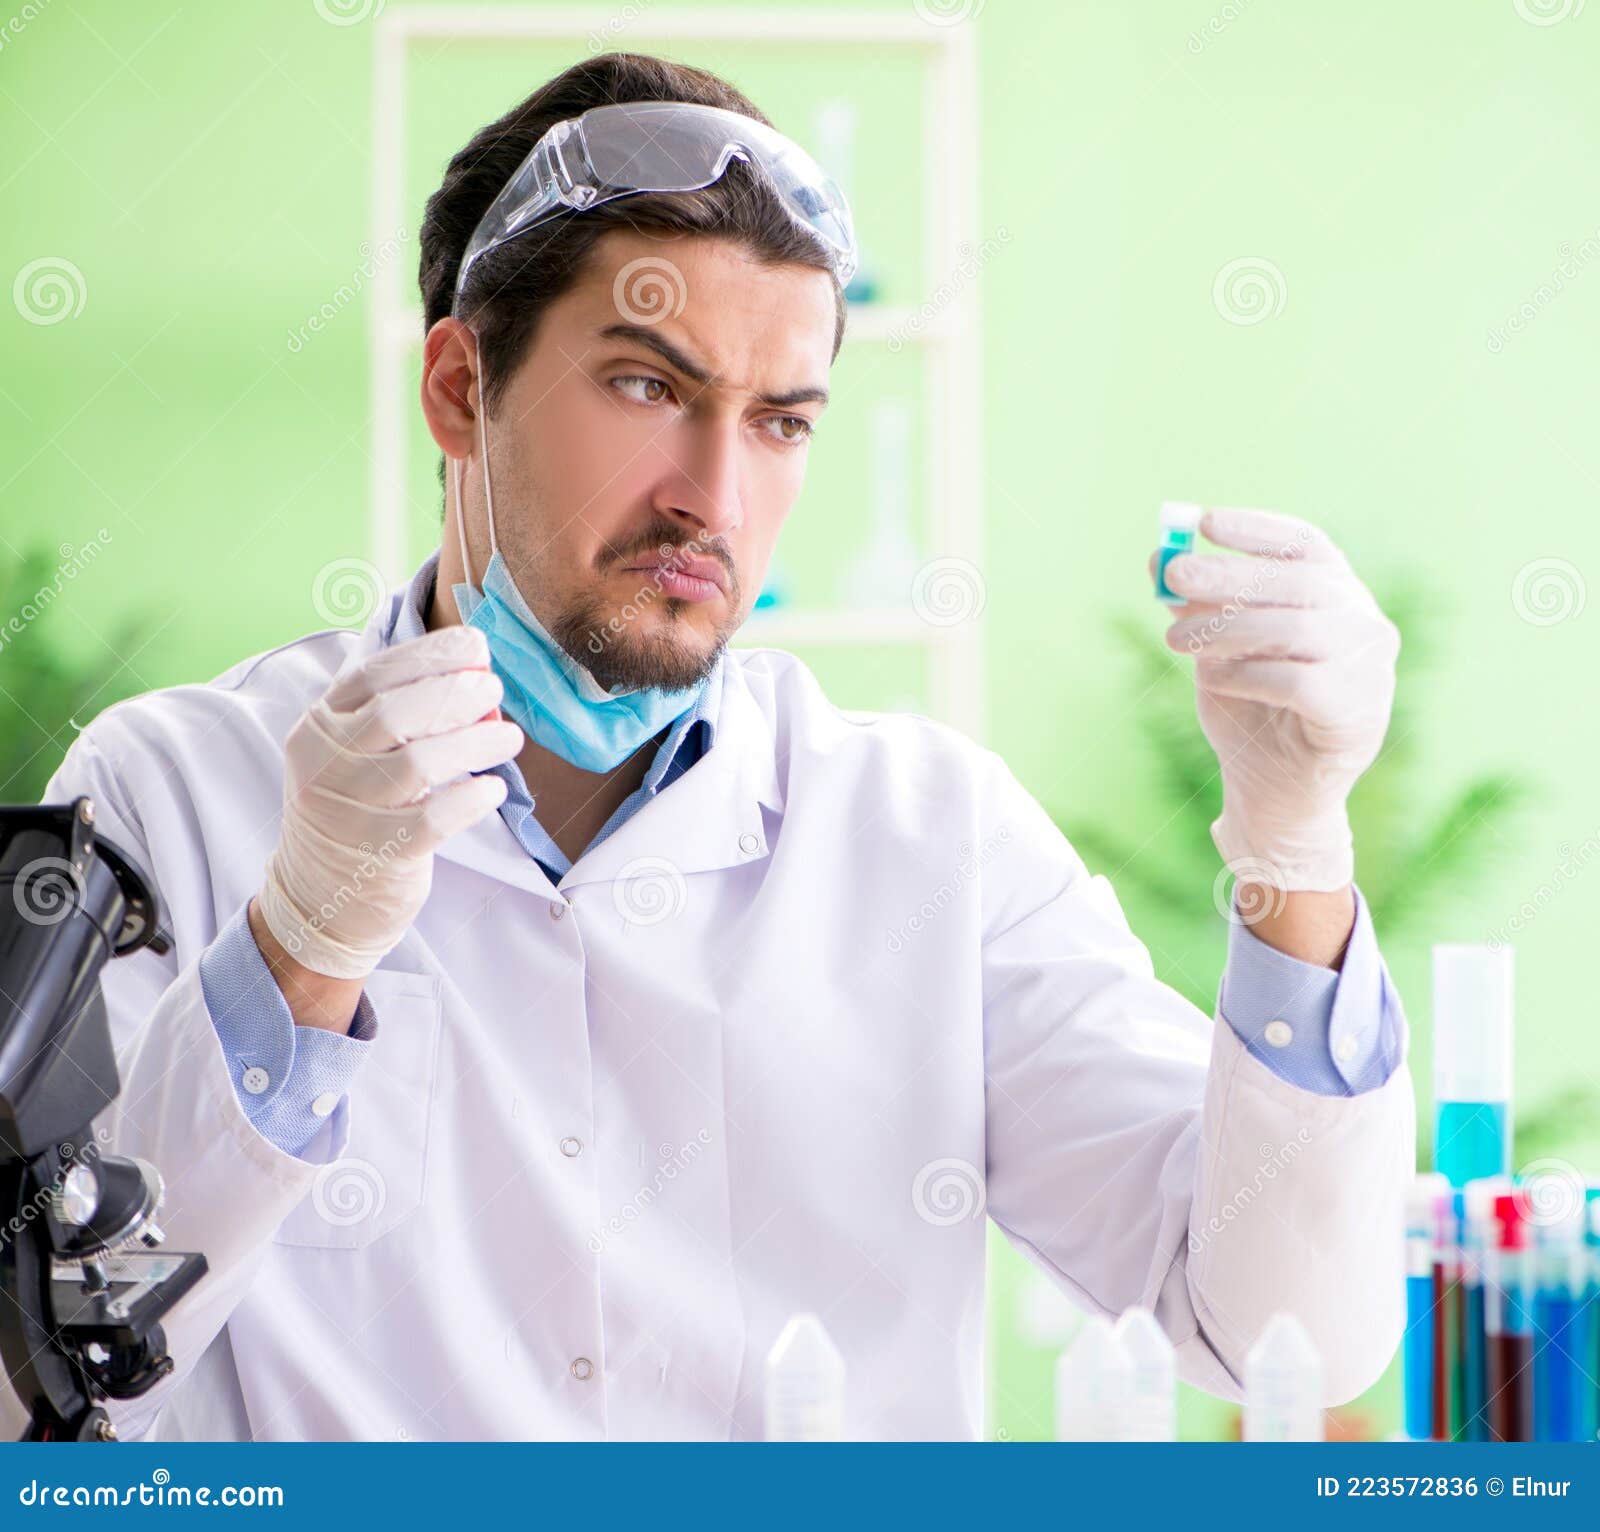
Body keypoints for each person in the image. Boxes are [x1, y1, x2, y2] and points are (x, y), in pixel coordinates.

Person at [17, 52, 1410, 1442]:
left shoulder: (931, 834)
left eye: (781, 420)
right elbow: (44, 1375)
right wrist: (297, 960)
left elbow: (1276, 1329)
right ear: (459, 387)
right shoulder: (173, 798)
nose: (716, 497)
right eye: (644, 385)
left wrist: (1296, 854)